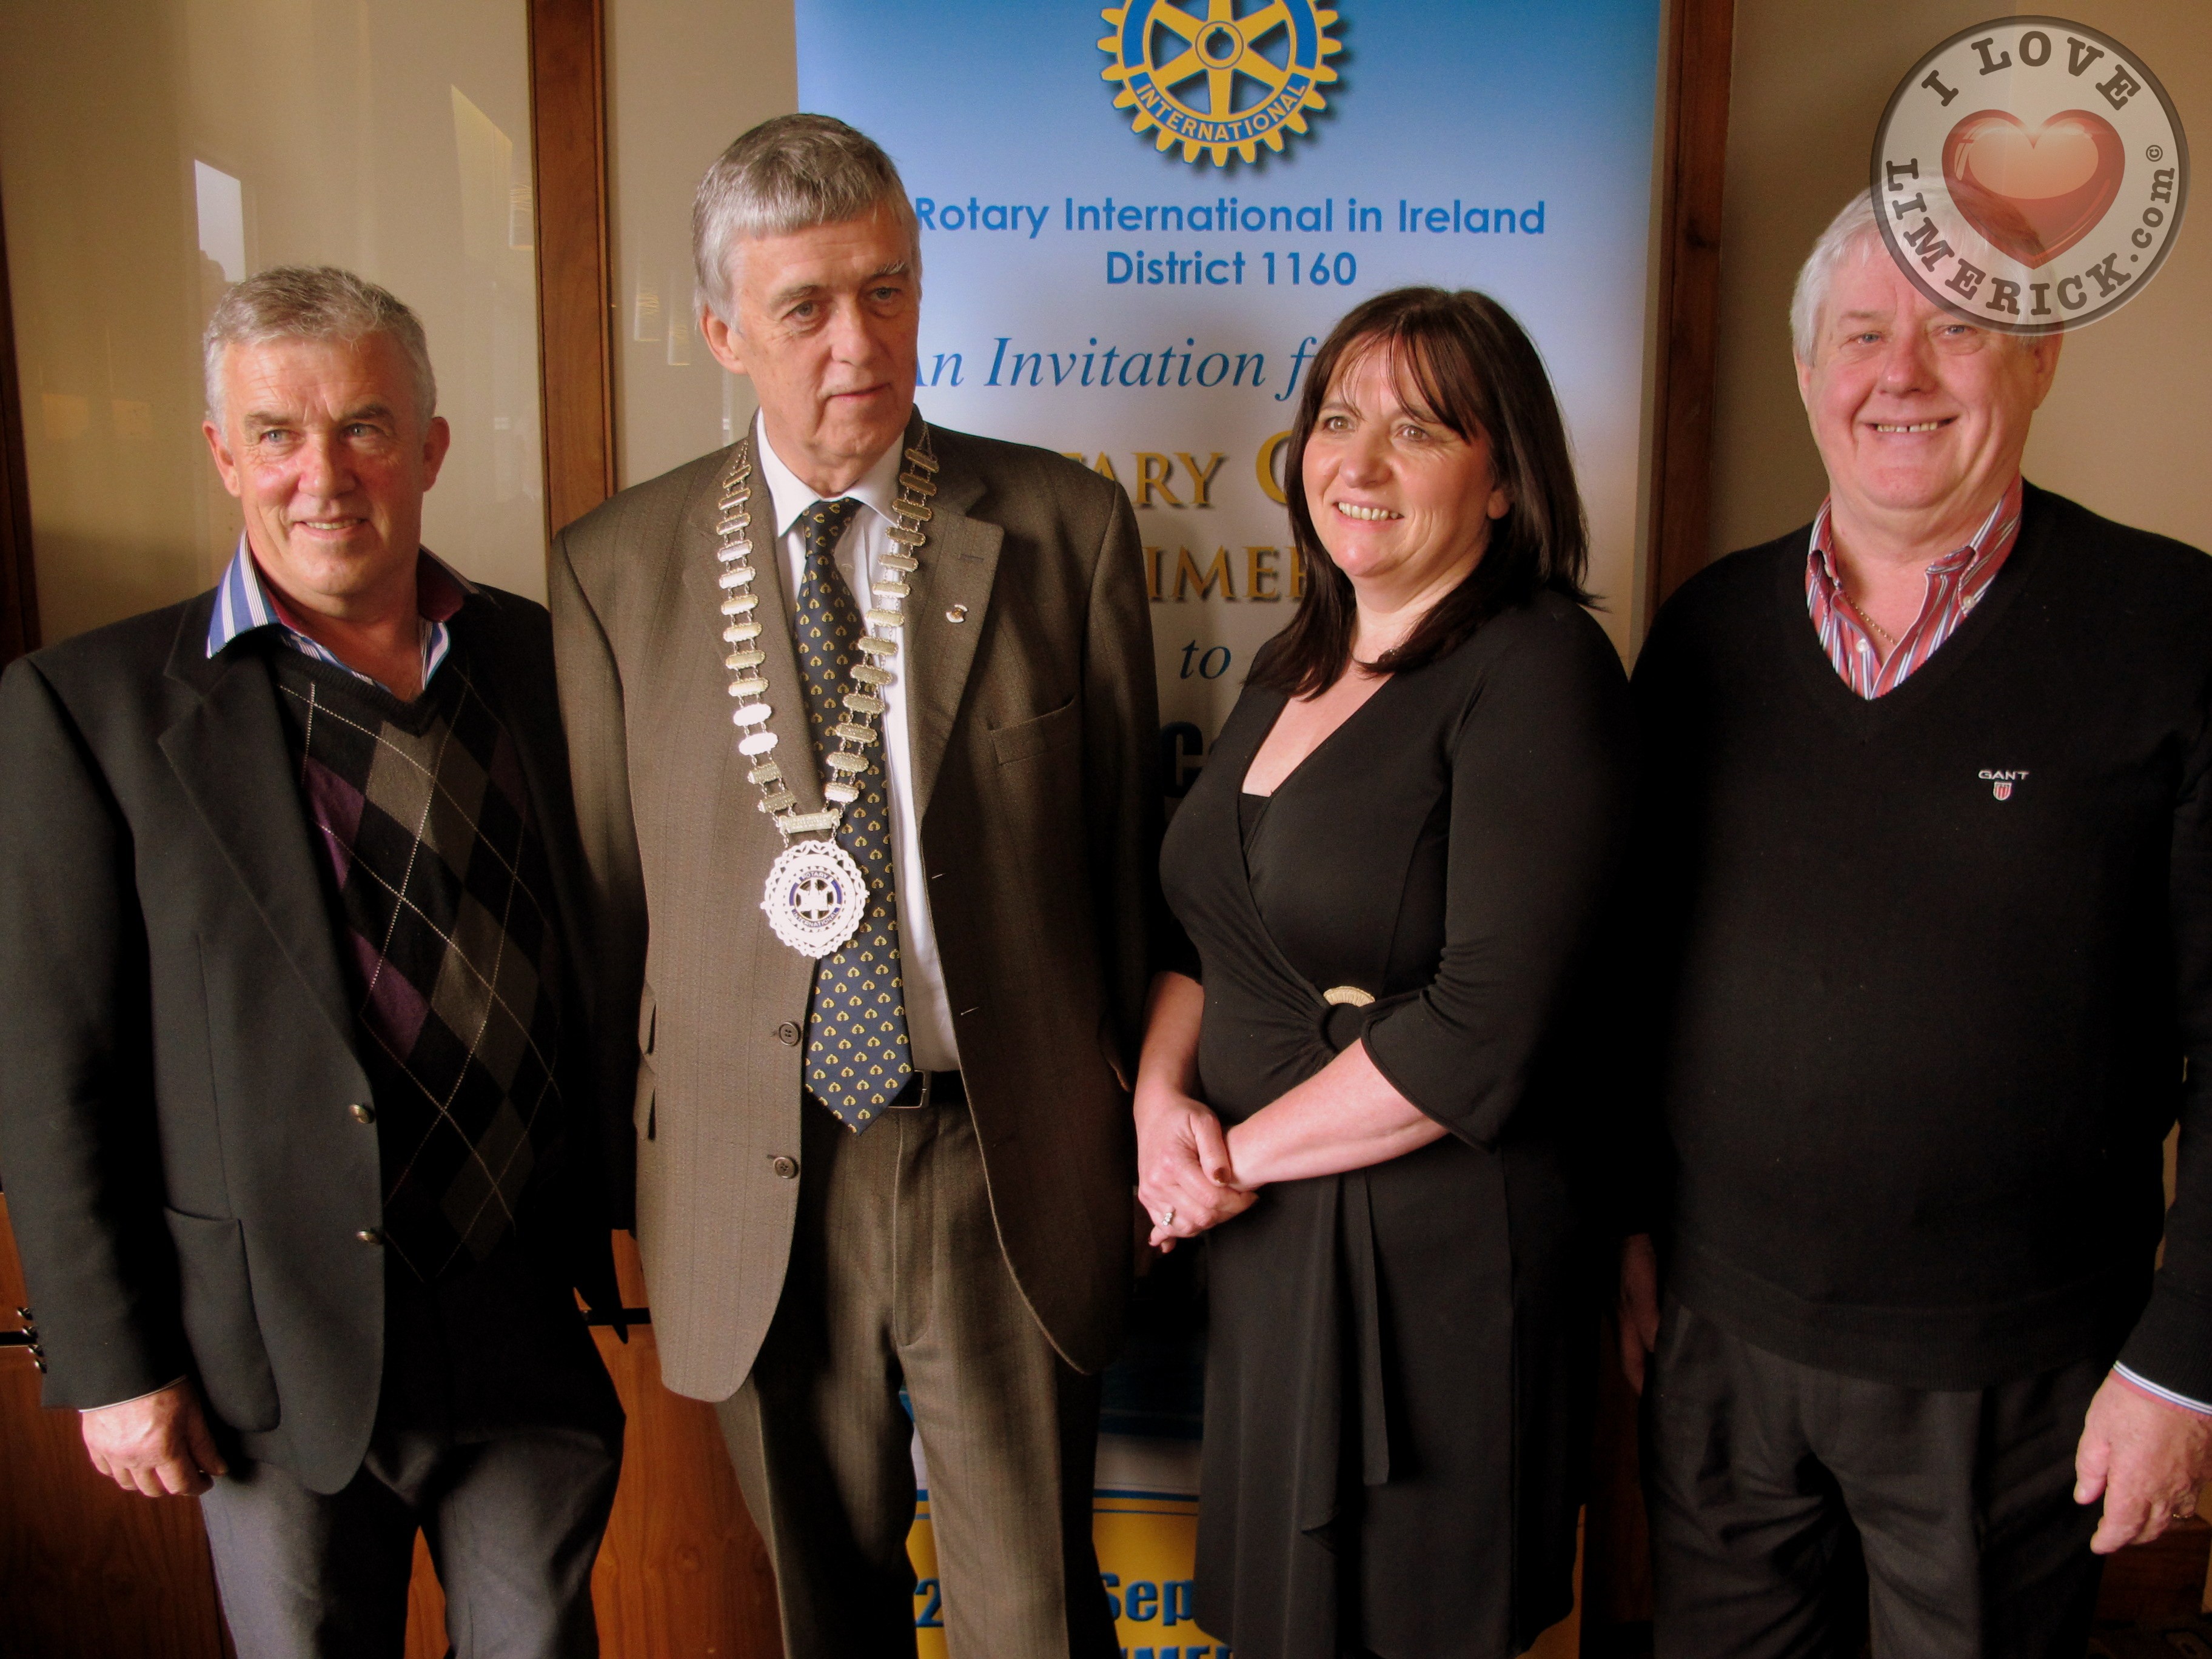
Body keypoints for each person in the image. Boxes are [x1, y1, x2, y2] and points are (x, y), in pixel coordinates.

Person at [550, 114, 1159, 1659]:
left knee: (1033, 1617)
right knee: (828, 1614)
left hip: (995, 1159)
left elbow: (1116, 877)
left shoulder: (1063, 529)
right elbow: (616, 917)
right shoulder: (615, 574)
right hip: (757, 1179)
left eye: (886, 291)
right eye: (805, 307)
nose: (857, 344)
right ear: (721, 331)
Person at [0, 267, 626, 1657]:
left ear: (431, 447)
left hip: (519, 1310)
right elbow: (52, 1072)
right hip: (271, 1356)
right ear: (225, 453)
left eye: (364, 427)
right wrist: (113, 1364)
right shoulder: (89, 710)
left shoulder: (539, 657)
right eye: (276, 433)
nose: (323, 473)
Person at [1621, 190, 2212, 1658]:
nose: (1903, 374)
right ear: (1812, 370)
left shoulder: (2176, 630)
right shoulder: (1702, 637)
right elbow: (1629, 977)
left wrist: (2186, 1370)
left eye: (1958, 330)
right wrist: (1629, 1230)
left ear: (2042, 357)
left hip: (2014, 1380)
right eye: (1862, 334)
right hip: (1717, 1353)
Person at [1137, 286, 1632, 1659]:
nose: (1355, 465)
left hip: (1437, 1268)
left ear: (1502, 480)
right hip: (1276, 1250)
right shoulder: (1293, 662)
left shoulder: (1539, 671)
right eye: (1336, 422)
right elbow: (1207, 933)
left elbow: (1486, 1029)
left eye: (1416, 431)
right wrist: (1156, 1106)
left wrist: (1223, 1158)